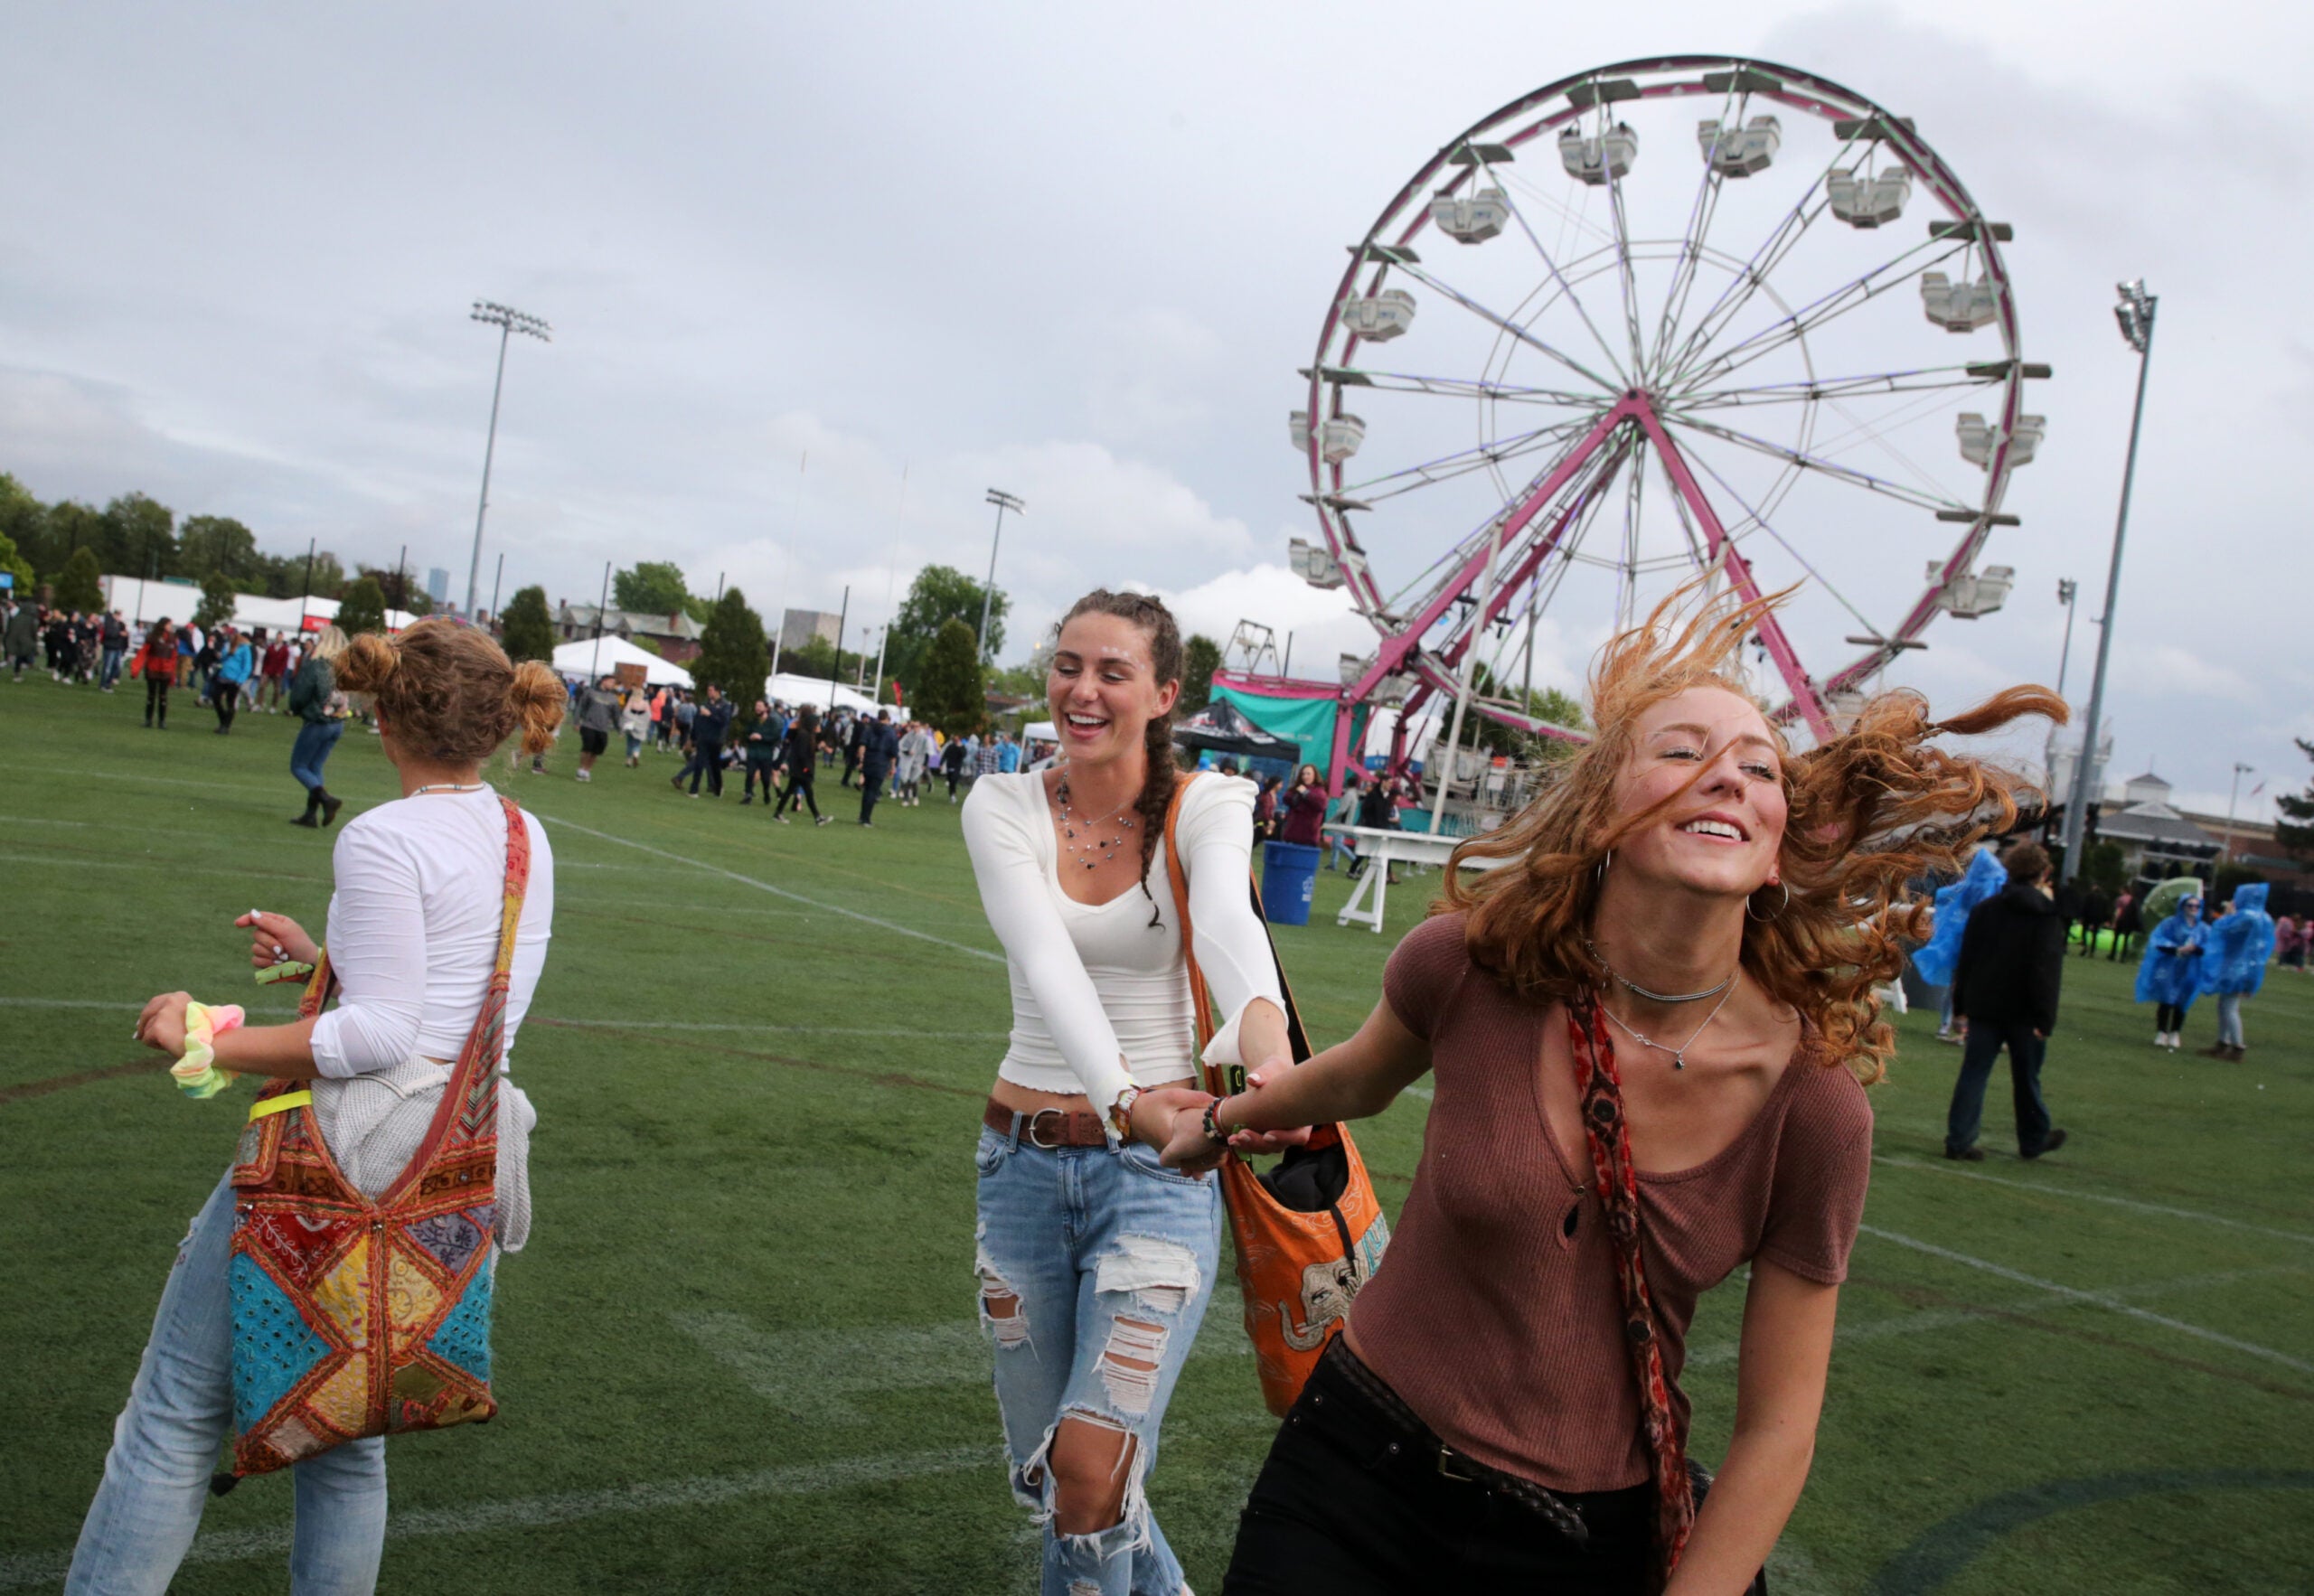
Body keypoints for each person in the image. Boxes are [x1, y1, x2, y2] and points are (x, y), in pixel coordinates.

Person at [1157, 585, 2061, 1595]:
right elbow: (1353, 1081)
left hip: (1586, 1540)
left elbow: (1776, 1428)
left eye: (1757, 766)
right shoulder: (1469, 965)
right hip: (1355, 1469)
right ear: (1604, 812)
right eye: (1680, 751)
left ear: (1774, 853)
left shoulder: (1812, 1110)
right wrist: (1226, 1117)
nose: (1725, 775)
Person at [68, 618, 562, 1595]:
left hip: (351, 1153)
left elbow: (380, 1035)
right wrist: (318, 957)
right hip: (449, 1149)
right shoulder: (521, 831)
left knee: (173, 1410)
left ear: (384, 717)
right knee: (349, 1433)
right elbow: (452, 995)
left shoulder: (383, 834)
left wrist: (205, 1037)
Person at [964, 588, 1293, 1596]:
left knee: (1090, 1469)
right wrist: (1122, 1097)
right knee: (1059, 1480)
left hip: (1160, 1175)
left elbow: (1234, 938)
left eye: (1113, 670)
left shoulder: (1209, 803)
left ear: (1163, 692)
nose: (1083, 688)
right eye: (1069, 664)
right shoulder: (1001, 804)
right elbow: (1045, 962)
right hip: (1018, 1163)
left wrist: (1269, 1049)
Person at [1942, 840, 2068, 1161]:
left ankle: (1959, 1139)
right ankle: (2033, 1138)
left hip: (1984, 1004)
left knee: (1974, 1073)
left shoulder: (1986, 909)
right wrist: (2045, 1018)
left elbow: (1967, 959)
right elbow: (2045, 971)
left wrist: (1960, 1006)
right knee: (2027, 1078)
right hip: (2025, 1011)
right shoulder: (2046, 915)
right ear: (2043, 873)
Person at [2196, 883, 2276, 1059]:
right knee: (2225, 1005)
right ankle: (2222, 1043)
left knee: (2229, 1007)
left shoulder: (2247, 917)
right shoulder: (2265, 918)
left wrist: (2227, 915)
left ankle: (2237, 1046)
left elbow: (2224, 929)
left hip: (2235, 967)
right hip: (2249, 967)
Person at [288, 627, 352, 828]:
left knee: (299, 766)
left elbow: (301, 693)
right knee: (315, 767)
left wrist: (297, 708)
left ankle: (325, 799)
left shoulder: (316, 665)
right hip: (337, 722)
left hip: (318, 721)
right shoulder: (343, 666)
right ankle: (310, 814)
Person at [2137, 892, 2206, 1049]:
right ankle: (2162, 1032)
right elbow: (2158, 940)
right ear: (2182, 906)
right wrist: (2177, 949)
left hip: (2190, 969)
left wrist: (2195, 948)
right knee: (2166, 1000)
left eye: (2197, 906)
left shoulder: (2202, 928)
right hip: (2170, 967)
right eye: (2190, 905)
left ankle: (2175, 1032)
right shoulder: (2170, 923)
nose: (2194, 909)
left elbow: (2210, 947)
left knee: (2182, 1001)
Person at [673, 683, 733, 797]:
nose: (709, 692)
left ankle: (717, 787)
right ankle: (693, 790)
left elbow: (723, 722)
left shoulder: (725, 705)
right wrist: (694, 737)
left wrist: (710, 715)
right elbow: (698, 720)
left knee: (713, 765)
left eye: (711, 690)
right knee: (700, 763)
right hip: (704, 738)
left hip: (716, 740)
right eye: (708, 690)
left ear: (717, 691)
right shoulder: (705, 704)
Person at [773, 705, 829, 824]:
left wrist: (818, 748)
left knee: (795, 791)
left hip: (799, 768)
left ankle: (817, 817)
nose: (817, 727)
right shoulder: (804, 735)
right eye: (816, 724)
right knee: (806, 792)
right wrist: (807, 767)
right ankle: (817, 817)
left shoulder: (806, 735)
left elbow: (807, 751)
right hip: (801, 769)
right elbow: (802, 754)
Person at [130, 617, 179, 729]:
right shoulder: (152, 637)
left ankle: (162, 721)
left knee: (163, 696)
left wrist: (172, 673)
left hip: (165, 670)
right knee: (151, 696)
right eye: (169, 624)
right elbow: (143, 653)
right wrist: (135, 669)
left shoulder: (172, 638)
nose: (170, 626)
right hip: (153, 669)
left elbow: (174, 656)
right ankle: (149, 720)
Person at [573, 673, 620, 782]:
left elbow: (616, 715)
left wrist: (619, 729)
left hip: (603, 728)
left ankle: (587, 770)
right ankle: (581, 769)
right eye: (611, 682)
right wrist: (576, 722)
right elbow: (580, 707)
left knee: (597, 751)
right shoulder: (591, 692)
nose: (613, 685)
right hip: (589, 725)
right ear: (604, 681)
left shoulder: (613, 698)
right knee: (587, 747)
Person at [858, 709, 899, 825]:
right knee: (873, 791)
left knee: (867, 790)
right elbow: (893, 753)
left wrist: (861, 759)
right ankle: (866, 818)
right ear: (887, 718)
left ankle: (862, 815)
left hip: (869, 761)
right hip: (881, 763)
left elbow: (862, 745)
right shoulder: (891, 733)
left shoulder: (870, 729)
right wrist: (893, 767)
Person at [211, 627, 255, 733]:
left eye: (231, 635)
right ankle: (223, 720)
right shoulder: (227, 645)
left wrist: (240, 680)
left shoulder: (244, 648)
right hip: (222, 676)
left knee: (230, 702)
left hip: (234, 679)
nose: (230, 637)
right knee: (215, 698)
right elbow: (223, 659)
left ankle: (225, 726)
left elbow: (247, 666)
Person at [740, 699, 785, 804]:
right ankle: (748, 795)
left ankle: (766, 792)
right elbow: (745, 733)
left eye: (760, 706)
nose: (757, 708)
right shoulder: (753, 721)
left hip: (766, 754)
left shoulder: (772, 722)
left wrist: (761, 737)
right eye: (756, 706)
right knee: (750, 774)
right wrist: (750, 737)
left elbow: (775, 738)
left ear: (766, 708)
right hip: (753, 752)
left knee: (765, 778)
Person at [1278, 763, 1331, 849]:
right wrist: (1295, 797)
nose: (1305, 776)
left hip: (1309, 834)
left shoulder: (1319, 791)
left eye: (1308, 774)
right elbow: (1286, 798)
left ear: (1315, 775)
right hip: (1292, 831)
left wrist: (1306, 794)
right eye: (1303, 774)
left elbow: (1321, 805)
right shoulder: (1296, 788)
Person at [897, 719, 934, 806]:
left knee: (914, 780)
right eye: (913, 726)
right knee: (905, 779)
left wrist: (925, 764)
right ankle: (905, 799)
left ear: (920, 727)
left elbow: (928, 751)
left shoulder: (924, 738)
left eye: (916, 726)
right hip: (908, 760)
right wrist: (907, 751)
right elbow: (902, 746)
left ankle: (915, 796)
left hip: (919, 762)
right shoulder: (908, 736)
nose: (914, 728)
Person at [259, 630, 294, 711]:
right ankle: (260, 704)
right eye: (277, 637)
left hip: (278, 672)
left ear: (282, 638)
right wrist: (264, 670)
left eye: (280, 637)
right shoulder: (271, 647)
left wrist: (280, 671)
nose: (278, 638)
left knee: (277, 690)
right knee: (261, 687)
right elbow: (266, 659)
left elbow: (284, 662)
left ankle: (273, 706)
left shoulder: (285, 649)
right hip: (268, 670)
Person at [2075, 883, 2112, 957]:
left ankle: (2085, 947)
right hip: (2098, 918)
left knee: (2084, 932)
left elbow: (2084, 907)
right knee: (2095, 934)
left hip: (2088, 916)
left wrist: (2081, 916)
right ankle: (2092, 951)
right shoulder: (2104, 898)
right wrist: (2106, 919)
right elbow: (2106, 910)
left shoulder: (2089, 896)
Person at [619, 686, 652, 767]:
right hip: (640, 725)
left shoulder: (631, 701)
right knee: (637, 743)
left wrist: (630, 719)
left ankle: (628, 760)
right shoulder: (645, 703)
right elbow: (648, 715)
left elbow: (626, 712)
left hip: (631, 724)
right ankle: (636, 755)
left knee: (629, 742)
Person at [2108, 887, 2142, 962]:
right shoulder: (2133, 900)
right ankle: (2123, 957)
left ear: (2123, 890)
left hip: (2121, 920)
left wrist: (2114, 922)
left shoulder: (2120, 899)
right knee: (2126, 940)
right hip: (2129, 922)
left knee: (2116, 938)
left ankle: (2112, 955)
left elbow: (2118, 911)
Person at [99, 610, 130, 691]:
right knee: (108, 667)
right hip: (110, 647)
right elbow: (109, 634)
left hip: (118, 648)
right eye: (118, 615)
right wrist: (119, 633)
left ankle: (108, 683)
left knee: (117, 667)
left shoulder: (120, 624)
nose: (119, 617)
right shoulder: (109, 623)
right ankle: (104, 685)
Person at [942, 732, 970, 802]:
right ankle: (952, 794)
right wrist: (941, 763)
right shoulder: (951, 746)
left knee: (954, 780)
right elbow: (945, 755)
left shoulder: (962, 747)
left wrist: (960, 747)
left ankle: (953, 795)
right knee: (951, 781)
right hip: (950, 765)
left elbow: (964, 755)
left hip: (957, 766)